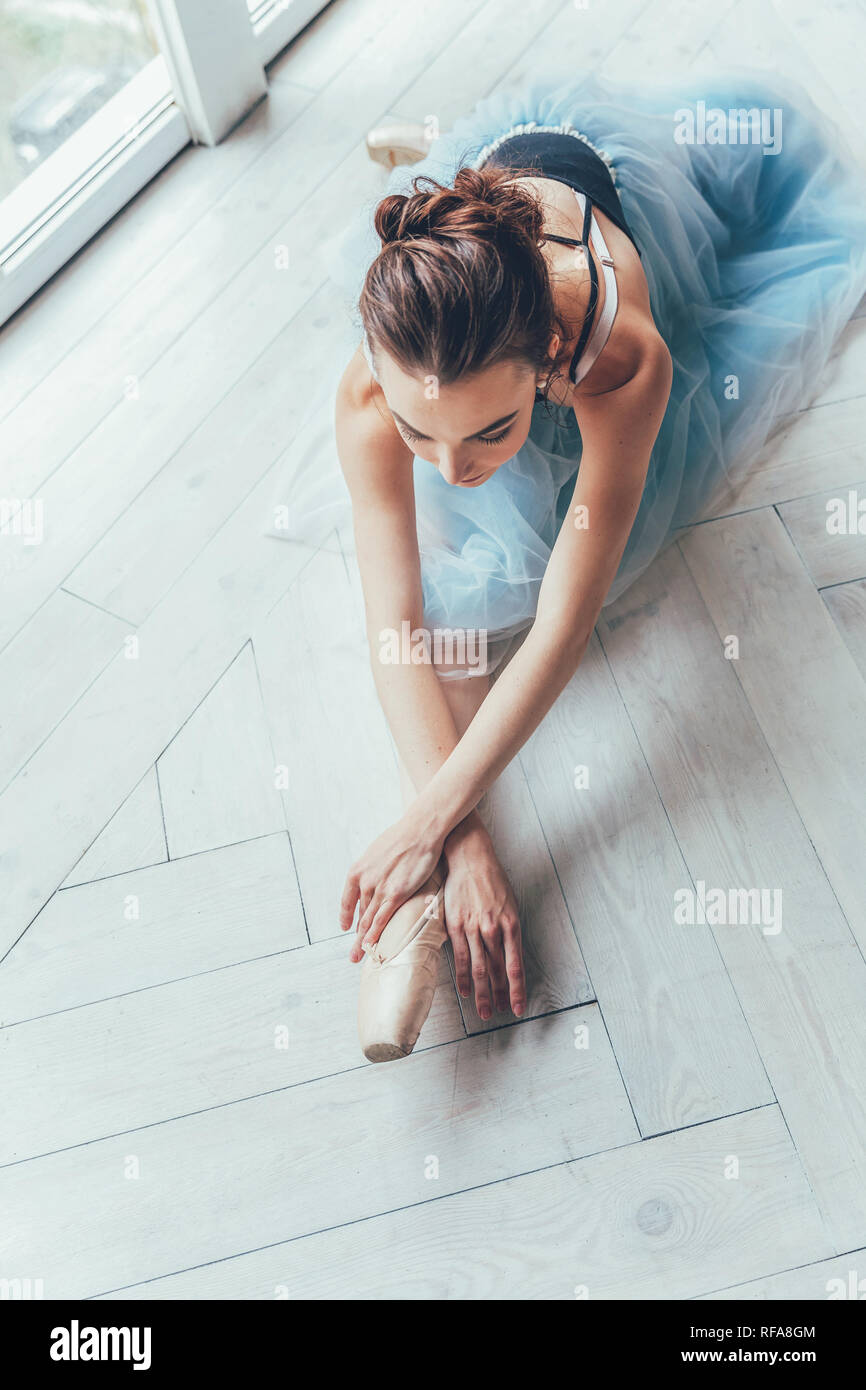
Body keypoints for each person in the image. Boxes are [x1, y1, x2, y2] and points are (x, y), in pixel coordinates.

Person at [271, 69, 866, 1061]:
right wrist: (457, 844)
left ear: (545, 359)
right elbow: (394, 625)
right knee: (461, 568)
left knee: (524, 562)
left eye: (490, 432)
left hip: (612, 201)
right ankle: (435, 151)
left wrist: (425, 813)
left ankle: (454, 157)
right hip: (494, 246)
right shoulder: (374, 391)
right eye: (421, 437)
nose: (451, 477)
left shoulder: (613, 350)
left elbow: (562, 619)